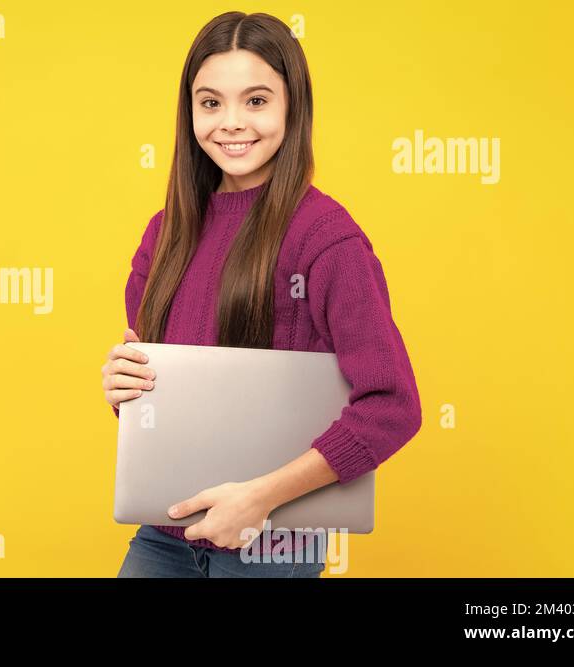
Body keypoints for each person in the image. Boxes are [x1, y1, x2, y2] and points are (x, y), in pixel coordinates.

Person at [103, 11, 422, 578]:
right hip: (165, 532)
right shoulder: (166, 232)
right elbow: (171, 402)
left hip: (272, 546)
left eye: (255, 101)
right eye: (210, 102)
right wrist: (124, 393)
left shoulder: (329, 240)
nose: (231, 123)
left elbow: (392, 406)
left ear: (292, 107)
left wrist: (260, 498)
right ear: (190, 112)